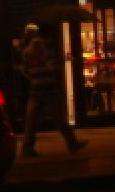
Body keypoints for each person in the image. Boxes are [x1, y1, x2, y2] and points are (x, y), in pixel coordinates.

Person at [19, 23, 87, 156]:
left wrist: (33, 76)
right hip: (48, 87)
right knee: (59, 118)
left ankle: (27, 148)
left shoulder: (27, 49)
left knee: (31, 120)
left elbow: (24, 69)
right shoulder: (45, 46)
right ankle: (72, 143)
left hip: (36, 87)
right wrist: (59, 65)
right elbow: (52, 66)